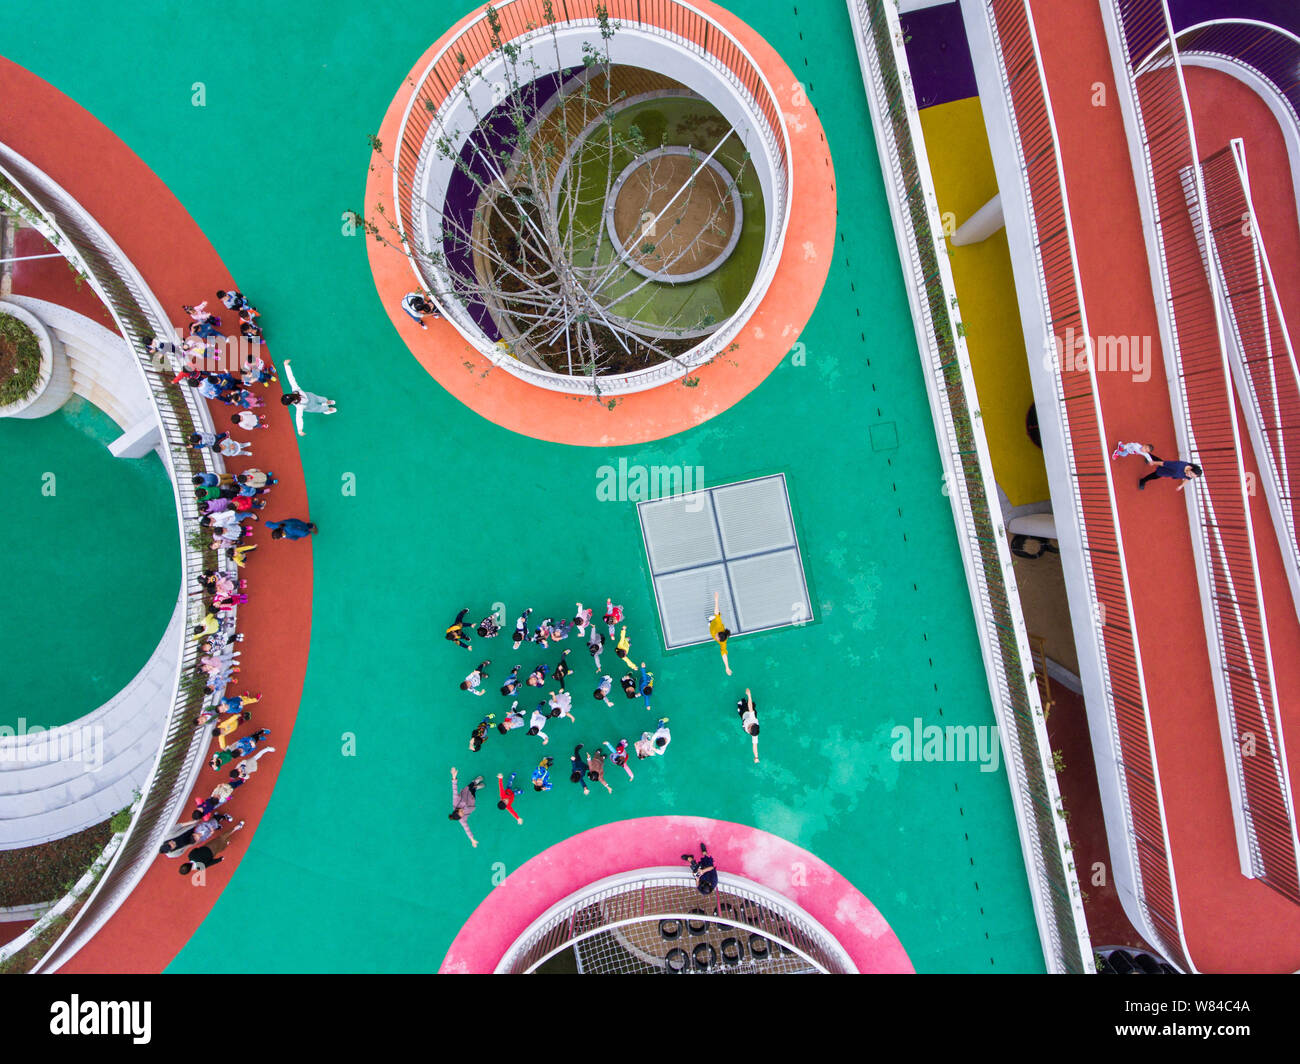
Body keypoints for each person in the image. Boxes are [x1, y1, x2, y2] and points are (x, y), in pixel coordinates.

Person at [281, 359, 337, 435]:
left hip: (311, 406)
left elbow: (299, 418)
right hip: (312, 397)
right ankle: (328, 403)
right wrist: (286, 366)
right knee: (322, 400)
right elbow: (291, 378)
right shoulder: (295, 389)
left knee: (321, 407)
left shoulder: (299, 406)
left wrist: (300, 430)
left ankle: (329, 409)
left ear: (291, 402)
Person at [178, 821, 246, 875]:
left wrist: (220, 859)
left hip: (213, 852)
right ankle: (234, 830)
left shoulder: (199, 867)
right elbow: (196, 849)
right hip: (207, 846)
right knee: (221, 838)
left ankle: (235, 829)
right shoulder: (190, 855)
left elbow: (210, 863)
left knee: (222, 840)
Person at [449, 767, 483, 848]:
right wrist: (472, 840)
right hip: (471, 801)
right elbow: (467, 829)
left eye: (461, 813)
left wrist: (453, 777)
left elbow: (454, 790)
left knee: (471, 786)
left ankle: (475, 782)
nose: (463, 813)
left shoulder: (455, 802)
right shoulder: (462, 819)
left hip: (466, 792)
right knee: (474, 791)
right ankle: (476, 788)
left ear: (457, 810)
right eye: (462, 815)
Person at [709, 591, 732, 676]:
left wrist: (727, 667)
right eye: (717, 635)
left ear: (720, 640)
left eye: (717, 638)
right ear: (720, 632)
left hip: (711, 628)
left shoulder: (723, 643)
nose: (716, 636)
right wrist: (716, 600)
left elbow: (724, 654)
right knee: (712, 617)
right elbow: (716, 612)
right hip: (712, 622)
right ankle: (710, 620)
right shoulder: (719, 625)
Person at [738, 688, 759, 764]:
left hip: (743, 718)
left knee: (739, 709)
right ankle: (744, 702)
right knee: (749, 705)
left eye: (749, 729)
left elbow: (755, 746)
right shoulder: (753, 719)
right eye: (750, 726)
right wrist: (749, 695)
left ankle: (741, 706)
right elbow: (750, 706)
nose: (749, 727)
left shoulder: (754, 735)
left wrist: (756, 757)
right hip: (747, 713)